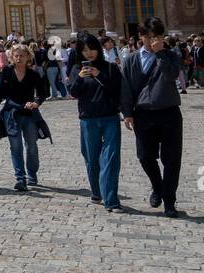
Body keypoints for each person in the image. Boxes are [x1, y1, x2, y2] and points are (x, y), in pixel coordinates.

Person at [121, 18, 184, 218]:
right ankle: (158, 187)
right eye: (148, 37)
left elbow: (171, 75)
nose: (152, 40)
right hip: (144, 114)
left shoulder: (171, 55)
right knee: (145, 156)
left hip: (169, 112)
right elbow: (126, 88)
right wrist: (127, 113)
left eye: (156, 37)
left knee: (172, 159)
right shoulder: (131, 59)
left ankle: (169, 201)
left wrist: (161, 54)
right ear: (140, 37)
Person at [67, 32, 124, 212]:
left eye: (92, 49)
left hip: (109, 118)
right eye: (84, 50)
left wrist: (99, 75)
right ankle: (97, 191)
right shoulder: (77, 70)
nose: (89, 53)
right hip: (88, 119)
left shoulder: (110, 68)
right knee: (92, 159)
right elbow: (73, 93)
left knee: (111, 158)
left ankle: (111, 200)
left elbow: (117, 90)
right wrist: (80, 79)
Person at [0, 43, 51, 191]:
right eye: (16, 56)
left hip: (29, 114)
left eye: (21, 56)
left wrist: (36, 103)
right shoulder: (6, 72)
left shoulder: (33, 74)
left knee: (31, 146)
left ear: (27, 57)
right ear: (11, 57)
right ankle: (20, 178)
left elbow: (43, 93)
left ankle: (31, 174)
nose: (18, 58)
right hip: (11, 114)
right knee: (15, 147)